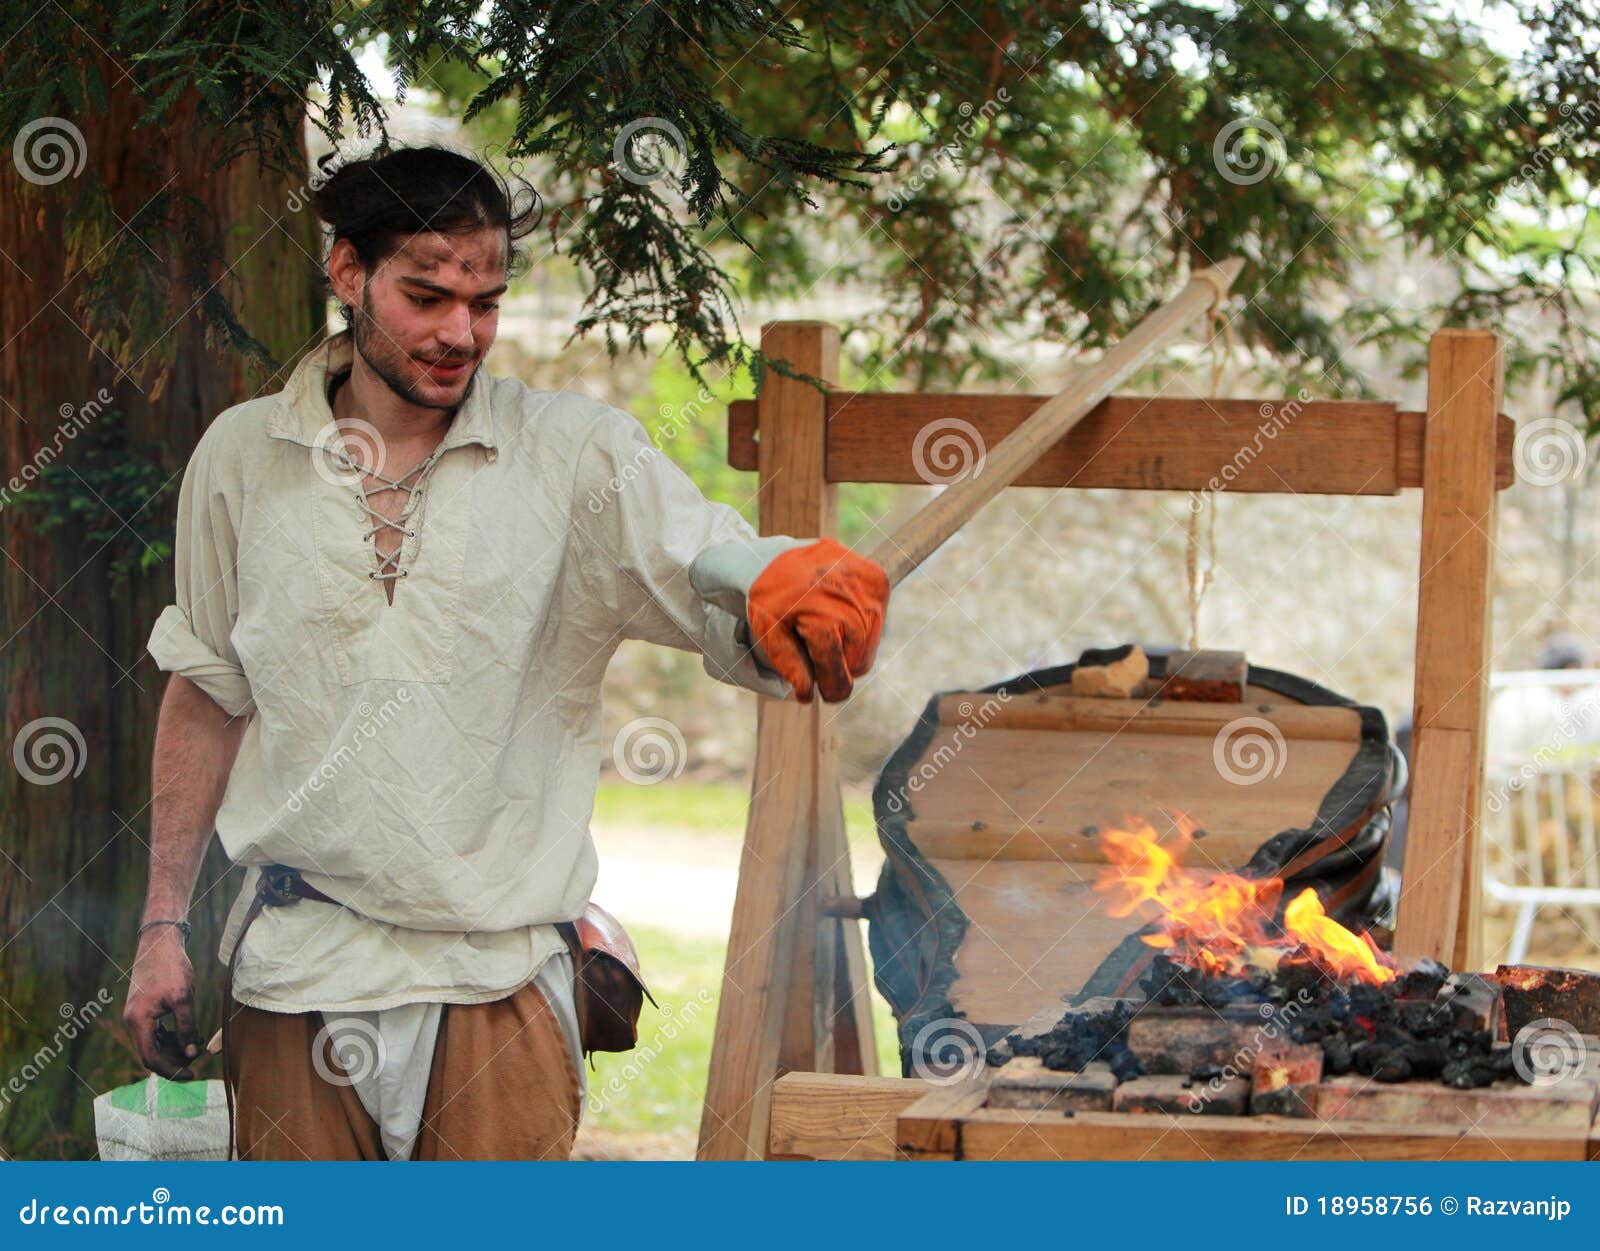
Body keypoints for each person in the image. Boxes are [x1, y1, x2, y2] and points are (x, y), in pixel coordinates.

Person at [120, 145, 890, 1161]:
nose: (459, 333)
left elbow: (706, 564)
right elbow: (207, 693)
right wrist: (161, 925)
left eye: (484, 303)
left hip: (499, 978)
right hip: (298, 969)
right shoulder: (240, 458)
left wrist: (779, 585)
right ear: (348, 274)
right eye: (427, 296)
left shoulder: (575, 455)